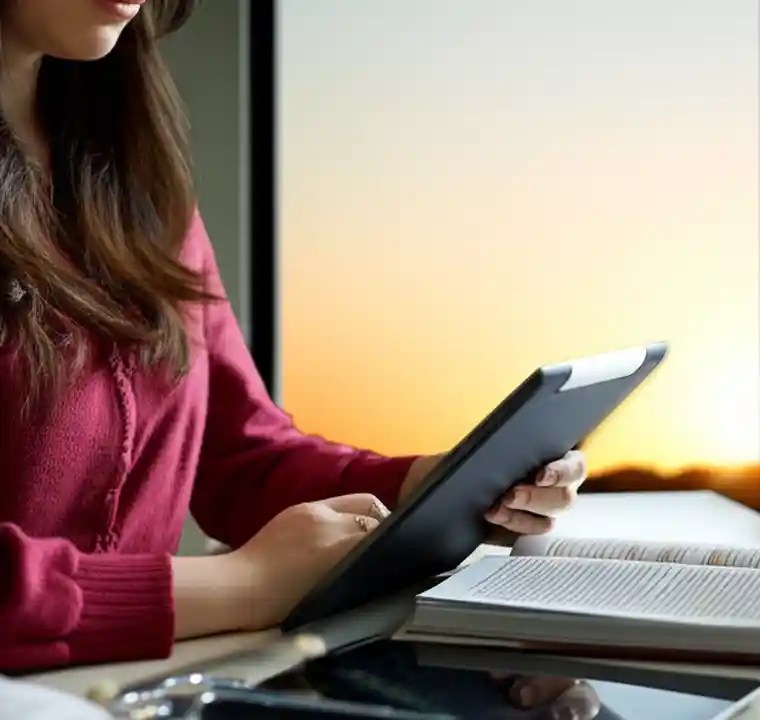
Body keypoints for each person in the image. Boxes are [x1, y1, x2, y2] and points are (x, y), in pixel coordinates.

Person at [0, 1, 592, 711]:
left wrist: (434, 489)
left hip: (138, 694)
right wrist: (242, 585)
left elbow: (240, 456)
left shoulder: (133, 175)